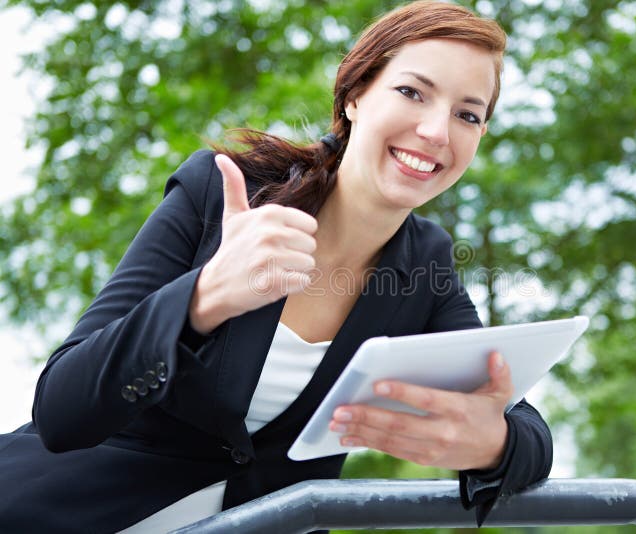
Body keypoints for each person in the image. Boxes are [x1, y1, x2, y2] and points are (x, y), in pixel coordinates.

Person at [0, 1, 553, 531]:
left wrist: (492, 443)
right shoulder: (219, 193)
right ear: (356, 95)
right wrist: (206, 296)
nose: (436, 131)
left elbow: (525, 431)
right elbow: (61, 408)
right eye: (412, 92)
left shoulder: (424, 268)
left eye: (467, 114)